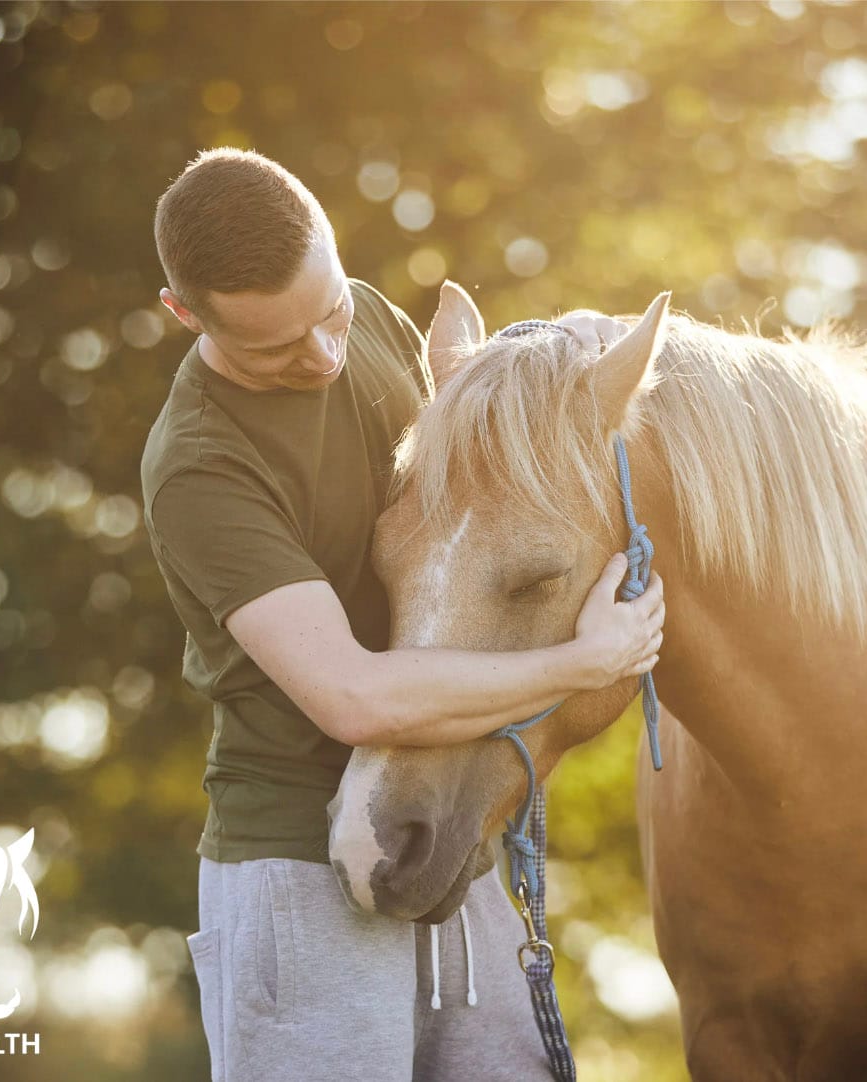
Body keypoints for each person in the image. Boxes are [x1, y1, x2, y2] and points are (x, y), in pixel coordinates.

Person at [140, 147, 664, 1082]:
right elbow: (353, 698)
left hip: (447, 827)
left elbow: (477, 501)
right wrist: (583, 665)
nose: (323, 355)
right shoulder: (201, 465)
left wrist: (562, 358)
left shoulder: (372, 319)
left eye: (329, 311)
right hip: (299, 869)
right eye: (276, 347)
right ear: (187, 316)